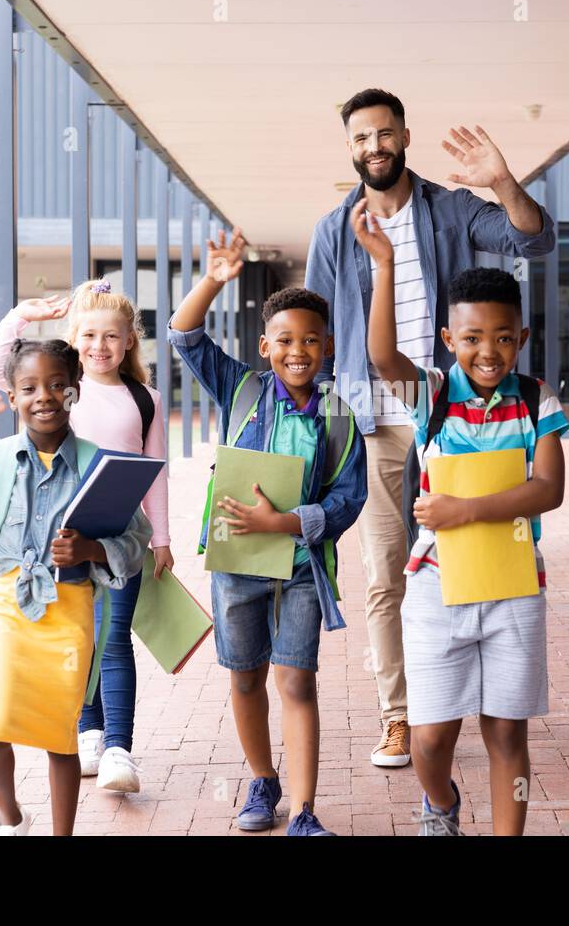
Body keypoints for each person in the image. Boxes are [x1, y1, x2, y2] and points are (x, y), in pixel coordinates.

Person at [305, 87, 556, 767]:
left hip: (456, 415)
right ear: (350, 147)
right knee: (388, 572)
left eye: (384, 134)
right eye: (361, 138)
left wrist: (502, 180)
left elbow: (534, 236)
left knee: (478, 550)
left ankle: (484, 697)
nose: (374, 147)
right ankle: (401, 715)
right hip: (381, 424)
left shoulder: (448, 210)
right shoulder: (336, 230)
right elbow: (318, 332)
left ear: (404, 136)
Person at [361, 198, 569, 834]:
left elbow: (549, 490)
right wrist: (385, 268)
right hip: (436, 587)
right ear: (450, 340)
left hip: (512, 584)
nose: (489, 351)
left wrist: (462, 508)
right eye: (473, 338)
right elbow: (381, 357)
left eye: (503, 338)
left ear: (521, 339)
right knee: (429, 740)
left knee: (508, 734)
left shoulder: (535, 399)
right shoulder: (430, 393)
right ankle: (442, 803)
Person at [0, 340, 151, 836]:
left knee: (61, 736)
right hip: (11, 607)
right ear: (12, 397)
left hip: (71, 609)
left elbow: (135, 538)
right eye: (30, 387)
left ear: (75, 391)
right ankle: (12, 820)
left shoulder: (99, 464)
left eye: (58, 385)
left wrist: (91, 551)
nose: (45, 397)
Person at [170, 228, 367, 835]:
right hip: (238, 564)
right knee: (246, 675)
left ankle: (305, 811)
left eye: (311, 340)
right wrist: (214, 279)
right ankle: (263, 780)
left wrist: (287, 522)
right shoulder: (244, 390)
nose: (298, 350)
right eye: (285, 340)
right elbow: (184, 336)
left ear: (328, 346)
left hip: (302, 570)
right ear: (265, 346)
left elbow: (348, 497)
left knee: (296, 680)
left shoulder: (339, 416)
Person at [0, 278, 173, 793]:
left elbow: (156, 473)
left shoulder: (144, 399)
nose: (99, 347)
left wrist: (162, 540)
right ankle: (87, 732)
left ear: (130, 340)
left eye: (111, 336)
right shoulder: (60, 388)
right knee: (78, 640)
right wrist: (21, 316)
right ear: (73, 339)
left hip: (115, 540)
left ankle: (118, 750)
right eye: (88, 336)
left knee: (113, 640)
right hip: (53, 540)